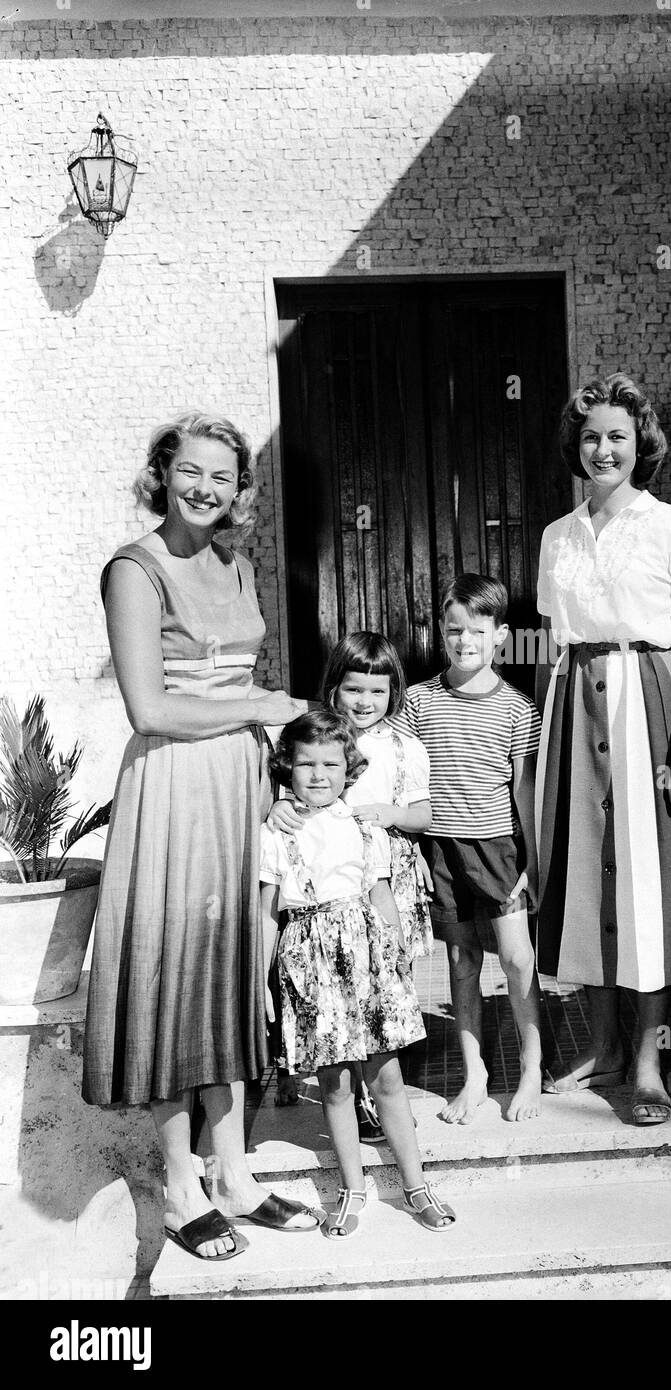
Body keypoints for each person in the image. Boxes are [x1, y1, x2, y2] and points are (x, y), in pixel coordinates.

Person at [82, 411, 321, 1261]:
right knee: (173, 977)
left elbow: (239, 676)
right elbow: (150, 706)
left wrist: (274, 765)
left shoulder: (238, 562)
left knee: (228, 973)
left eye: (223, 476)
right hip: (175, 786)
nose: (206, 489)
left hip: (236, 784)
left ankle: (234, 1174)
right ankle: (179, 1185)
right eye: (190, 471)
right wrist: (259, 707)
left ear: (239, 489)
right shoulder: (134, 570)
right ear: (161, 473)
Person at [534, 373, 671, 1125]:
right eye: (589, 436)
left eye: (616, 434)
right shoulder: (557, 535)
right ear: (574, 449)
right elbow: (554, 644)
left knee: (647, 887)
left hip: (649, 697)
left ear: (640, 442)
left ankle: (648, 1062)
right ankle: (605, 1045)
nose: (602, 448)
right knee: (585, 882)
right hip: (574, 703)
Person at [260, 709, 455, 1236]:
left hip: (371, 962)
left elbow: (382, 898)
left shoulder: (366, 828)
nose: (318, 775)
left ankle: (416, 1184)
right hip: (310, 962)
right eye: (306, 764)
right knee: (336, 1084)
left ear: (350, 769)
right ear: (287, 767)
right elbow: (267, 911)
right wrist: (261, 980)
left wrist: (398, 970)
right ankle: (352, 1187)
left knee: (388, 1078)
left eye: (330, 764)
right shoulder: (277, 832)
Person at [268, 631, 433, 1141]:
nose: (364, 702)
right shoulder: (315, 736)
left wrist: (392, 815)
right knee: (331, 992)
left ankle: (387, 1093)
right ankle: (351, 1098)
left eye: (377, 691)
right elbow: (285, 794)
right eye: (353, 689)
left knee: (383, 990)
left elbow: (423, 813)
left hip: (382, 871)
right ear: (334, 688)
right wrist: (276, 807)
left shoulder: (403, 746)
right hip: (320, 879)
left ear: (393, 692)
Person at [395, 574, 543, 1125]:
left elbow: (522, 790)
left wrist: (534, 860)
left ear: (500, 635)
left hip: (499, 850)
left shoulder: (517, 709)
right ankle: (474, 1075)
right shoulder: (417, 702)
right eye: (453, 630)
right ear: (440, 631)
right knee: (461, 961)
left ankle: (530, 1068)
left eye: (477, 631)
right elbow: (401, 775)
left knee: (516, 959)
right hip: (443, 850)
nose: (464, 641)